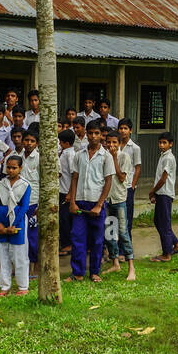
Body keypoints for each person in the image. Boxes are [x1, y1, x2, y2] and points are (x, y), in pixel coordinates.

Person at [67, 120, 114, 282]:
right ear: (86, 134)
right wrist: (72, 202)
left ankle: (95, 271)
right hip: (80, 202)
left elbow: (108, 182)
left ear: (101, 135)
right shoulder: (79, 154)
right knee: (77, 237)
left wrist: (100, 205)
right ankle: (78, 273)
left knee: (97, 239)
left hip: (96, 204)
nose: (93, 136)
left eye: (97, 133)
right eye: (91, 133)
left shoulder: (105, 156)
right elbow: (74, 178)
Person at [0, 155, 33, 296]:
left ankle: (23, 286)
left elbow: (25, 207)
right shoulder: (1, 184)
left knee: (19, 255)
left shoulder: (25, 185)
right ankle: (5, 286)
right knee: (3, 254)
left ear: (20, 168)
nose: (10, 170)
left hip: (18, 220)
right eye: (8, 167)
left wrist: (14, 224)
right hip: (2, 220)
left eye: (14, 168)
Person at [103, 130, 136, 280]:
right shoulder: (103, 156)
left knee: (123, 232)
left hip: (120, 199)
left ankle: (131, 267)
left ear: (119, 143)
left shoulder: (124, 157)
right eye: (108, 142)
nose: (111, 145)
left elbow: (122, 177)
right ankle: (115, 262)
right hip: (108, 199)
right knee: (110, 233)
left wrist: (114, 158)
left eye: (114, 142)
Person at [147, 131, 178, 261]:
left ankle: (166, 253)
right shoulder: (163, 156)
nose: (161, 145)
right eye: (160, 142)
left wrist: (153, 191)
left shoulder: (168, 157)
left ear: (170, 144)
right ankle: (177, 244)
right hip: (161, 193)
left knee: (164, 223)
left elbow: (163, 179)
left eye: (164, 143)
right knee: (158, 221)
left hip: (165, 193)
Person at [19, 127, 41, 273]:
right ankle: (22, 266)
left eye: (32, 141)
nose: (28, 143)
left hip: (34, 203)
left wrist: (41, 205)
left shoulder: (40, 159)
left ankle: (35, 267)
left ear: (37, 143)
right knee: (20, 235)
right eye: (26, 140)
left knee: (33, 237)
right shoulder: (16, 157)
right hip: (18, 203)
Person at [117, 119, 141, 251]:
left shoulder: (135, 148)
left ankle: (126, 248)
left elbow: (137, 167)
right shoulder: (115, 145)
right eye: (121, 128)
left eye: (125, 128)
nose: (123, 131)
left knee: (127, 218)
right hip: (116, 186)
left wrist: (132, 185)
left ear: (130, 130)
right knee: (117, 218)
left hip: (128, 186)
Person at [57, 128, 75, 256]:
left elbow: (74, 174)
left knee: (65, 219)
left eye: (60, 142)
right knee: (62, 218)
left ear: (66, 143)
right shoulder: (63, 152)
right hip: (61, 189)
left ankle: (68, 244)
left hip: (66, 190)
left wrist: (70, 193)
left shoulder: (70, 154)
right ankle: (65, 242)